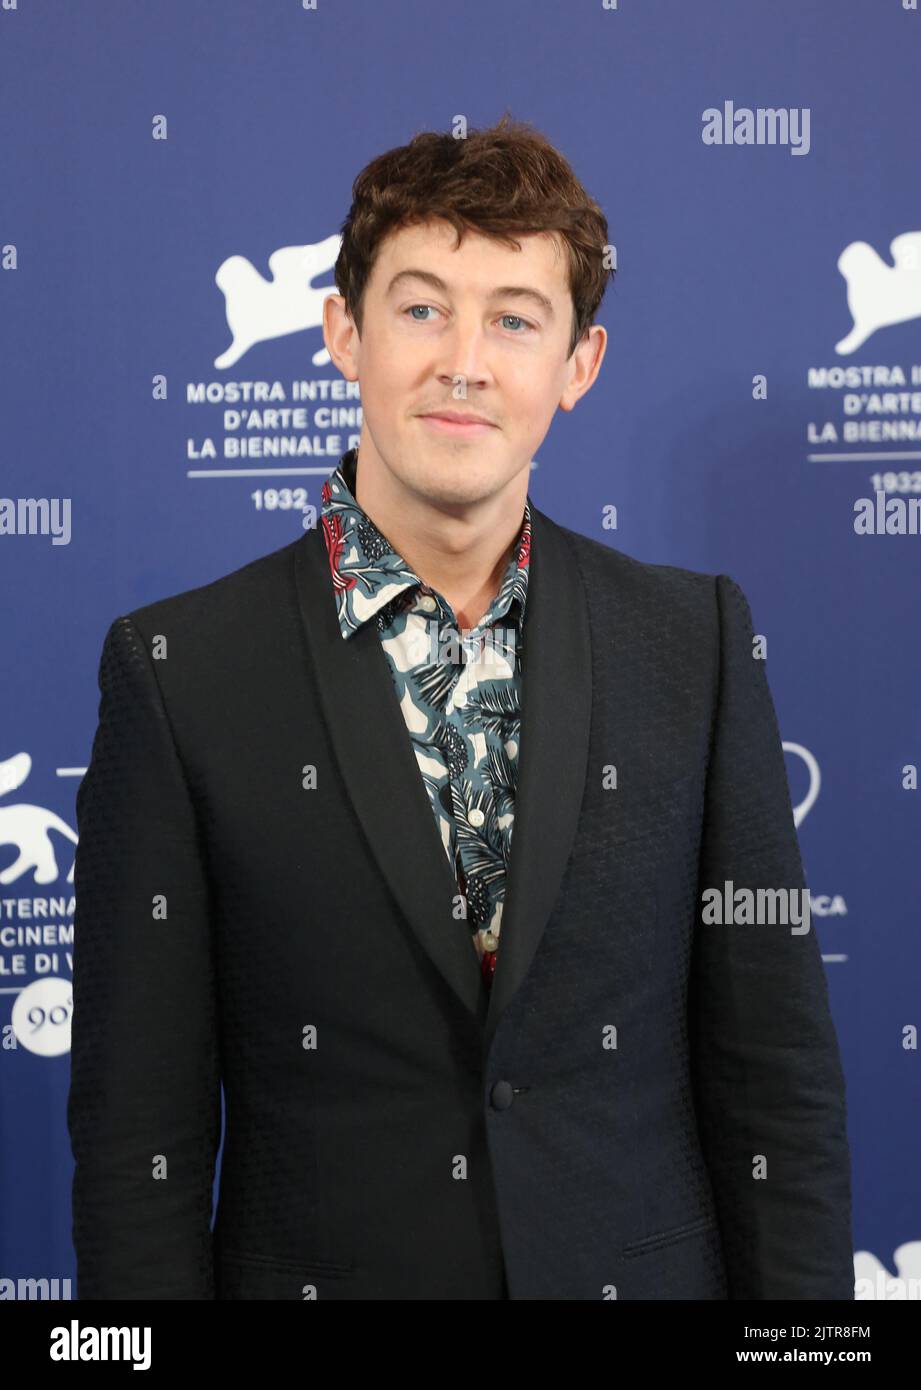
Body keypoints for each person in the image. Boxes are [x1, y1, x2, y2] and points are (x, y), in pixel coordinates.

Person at [67, 115, 854, 1300]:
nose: (465, 363)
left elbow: (775, 1076)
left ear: (579, 364)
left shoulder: (692, 642)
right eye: (423, 308)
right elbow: (140, 1139)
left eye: (515, 320)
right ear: (345, 333)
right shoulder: (181, 670)